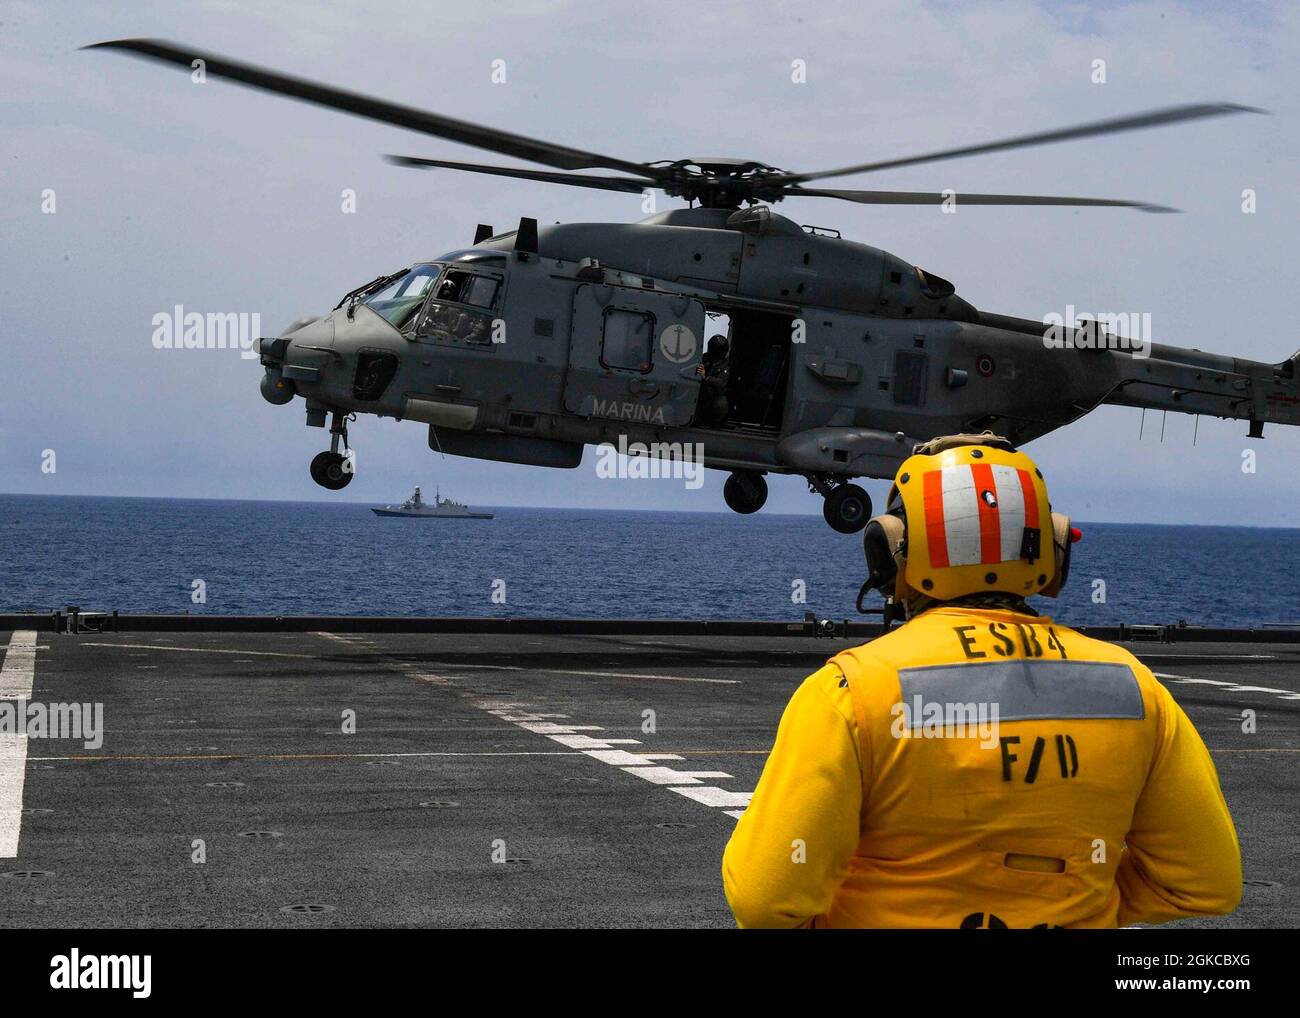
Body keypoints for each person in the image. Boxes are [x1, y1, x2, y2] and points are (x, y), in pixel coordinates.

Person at [722, 432, 1241, 928]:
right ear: (1054, 549)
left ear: (889, 551)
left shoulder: (852, 692)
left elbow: (764, 899)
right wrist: (1085, 903)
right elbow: (1207, 882)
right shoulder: (1134, 688)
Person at [695, 334, 731, 427]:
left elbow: (722, 382)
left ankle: (716, 424)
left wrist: (705, 377)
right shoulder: (702, 359)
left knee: (721, 404)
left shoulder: (726, 364)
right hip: (699, 394)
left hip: (714, 396)